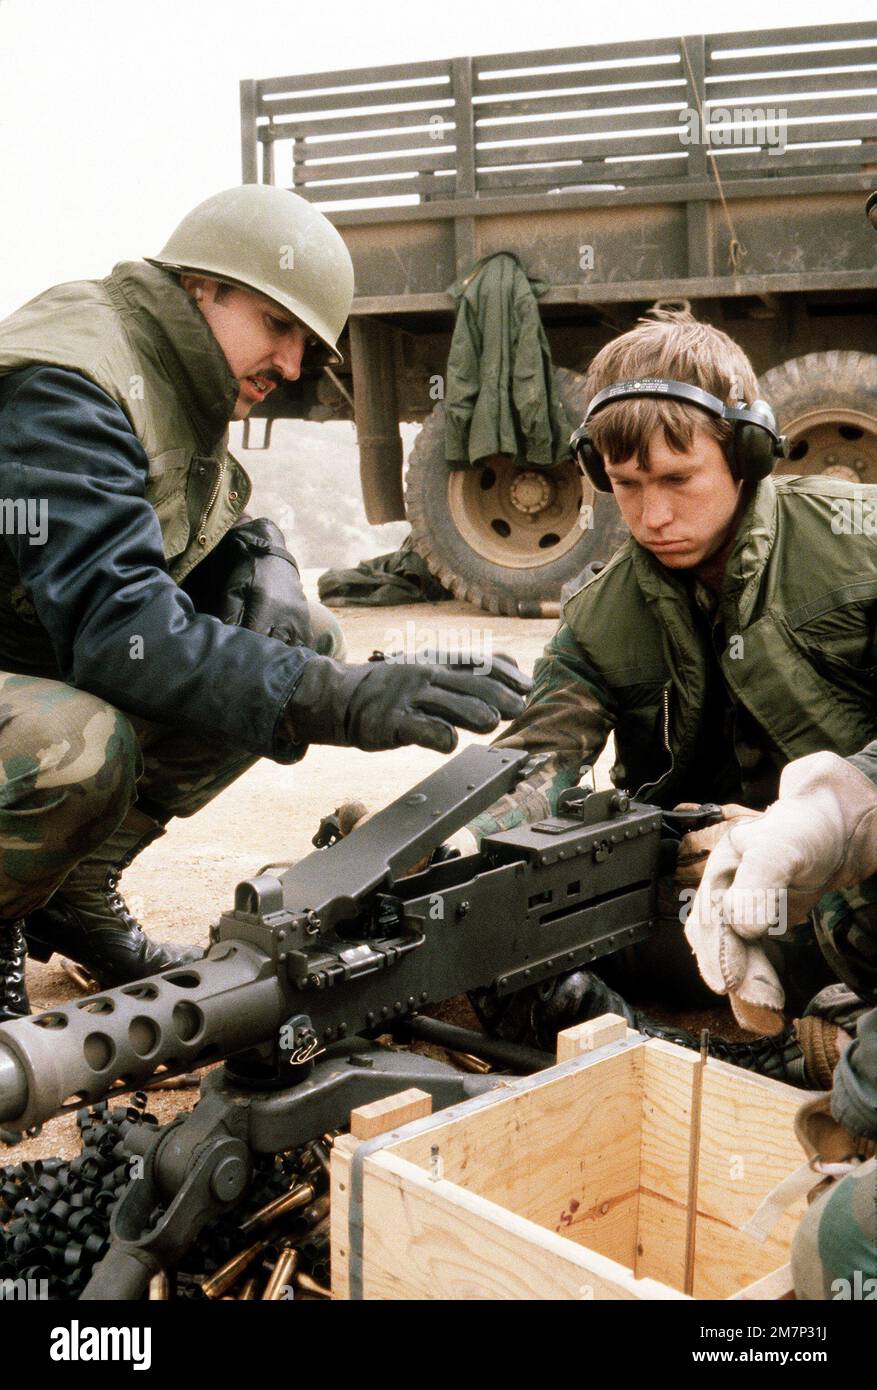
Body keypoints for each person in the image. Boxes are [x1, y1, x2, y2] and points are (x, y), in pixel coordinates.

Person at [0, 185, 529, 1021]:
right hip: (36, 672)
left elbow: (144, 531)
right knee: (73, 743)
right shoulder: (71, 385)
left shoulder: (172, 367)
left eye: (304, 345)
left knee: (295, 632)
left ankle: (73, 892)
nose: (289, 365)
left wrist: (256, 553)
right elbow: (117, 630)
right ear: (201, 285)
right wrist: (338, 698)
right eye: (277, 325)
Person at [449, 303, 877, 1083]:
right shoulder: (600, 616)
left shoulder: (859, 547)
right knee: (493, 921)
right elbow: (541, 756)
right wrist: (447, 840)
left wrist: (820, 826)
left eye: (678, 479)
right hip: (700, 912)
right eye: (626, 485)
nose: (652, 515)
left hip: (848, 886)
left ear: (746, 454)